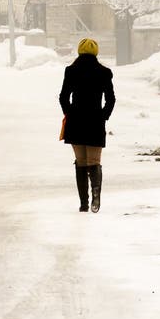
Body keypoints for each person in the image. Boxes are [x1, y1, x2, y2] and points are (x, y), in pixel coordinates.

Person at [59, 37, 115, 213]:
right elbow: (111, 99)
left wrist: (69, 113)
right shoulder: (104, 72)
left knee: (81, 162)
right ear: (96, 52)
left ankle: (84, 203)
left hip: (75, 122)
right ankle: (96, 195)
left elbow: (63, 97)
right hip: (95, 122)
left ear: (79, 51)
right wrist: (103, 116)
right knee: (94, 161)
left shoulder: (71, 71)